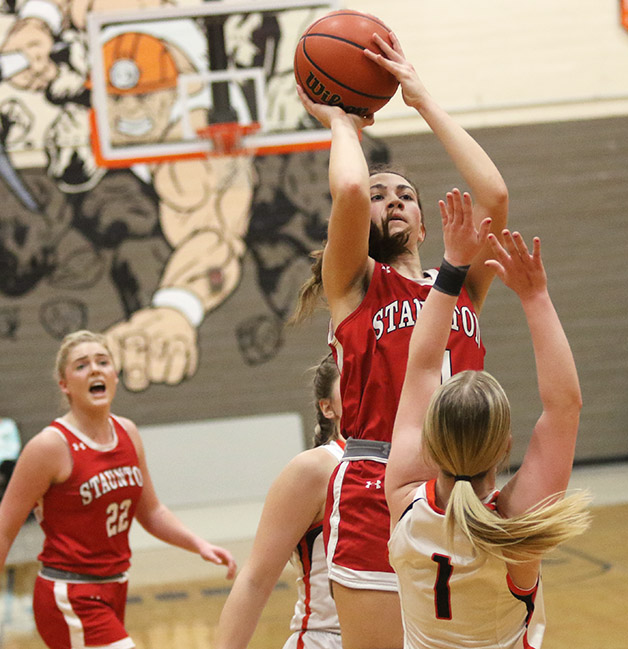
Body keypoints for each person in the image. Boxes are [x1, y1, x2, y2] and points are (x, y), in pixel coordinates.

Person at [293, 29, 509, 649]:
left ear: (422, 220)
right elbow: (352, 188)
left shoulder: (460, 285)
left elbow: (493, 196)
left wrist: (419, 96)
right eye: (383, 194)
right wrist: (341, 123)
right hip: (372, 488)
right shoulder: (355, 286)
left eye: (406, 196)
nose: (391, 200)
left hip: (463, 487)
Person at [385, 191, 590, 649]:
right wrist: (535, 297)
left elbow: (419, 367)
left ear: (430, 444)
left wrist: (453, 267)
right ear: (505, 445)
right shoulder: (517, 528)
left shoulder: (404, 502)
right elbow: (564, 407)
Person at [0, 330, 237, 649]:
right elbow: (4, 529)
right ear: (64, 385)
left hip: (114, 588)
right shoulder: (49, 446)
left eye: (103, 361)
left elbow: (151, 511)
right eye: (82, 365)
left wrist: (197, 544)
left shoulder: (128, 432)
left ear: (114, 375)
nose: (95, 369)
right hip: (69, 595)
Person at [215, 353, 344, 649]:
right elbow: (255, 581)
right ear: (327, 407)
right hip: (329, 640)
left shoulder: (405, 464)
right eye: (351, 381)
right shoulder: (314, 469)